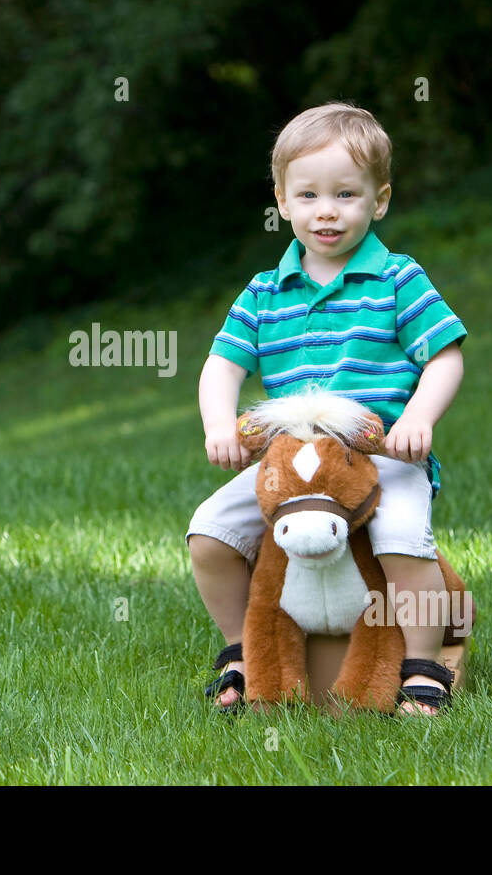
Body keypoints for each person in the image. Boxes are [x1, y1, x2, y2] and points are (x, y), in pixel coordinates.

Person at [187, 101, 467, 716]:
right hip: (288, 460)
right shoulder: (265, 292)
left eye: (346, 194)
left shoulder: (397, 279)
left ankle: (423, 666)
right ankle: (239, 651)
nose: (327, 211)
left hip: (381, 452)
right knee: (209, 532)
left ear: (380, 198)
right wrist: (218, 425)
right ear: (283, 201)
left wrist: (418, 419)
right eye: (308, 195)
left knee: (401, 542)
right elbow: (221, 366)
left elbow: (446, 357)